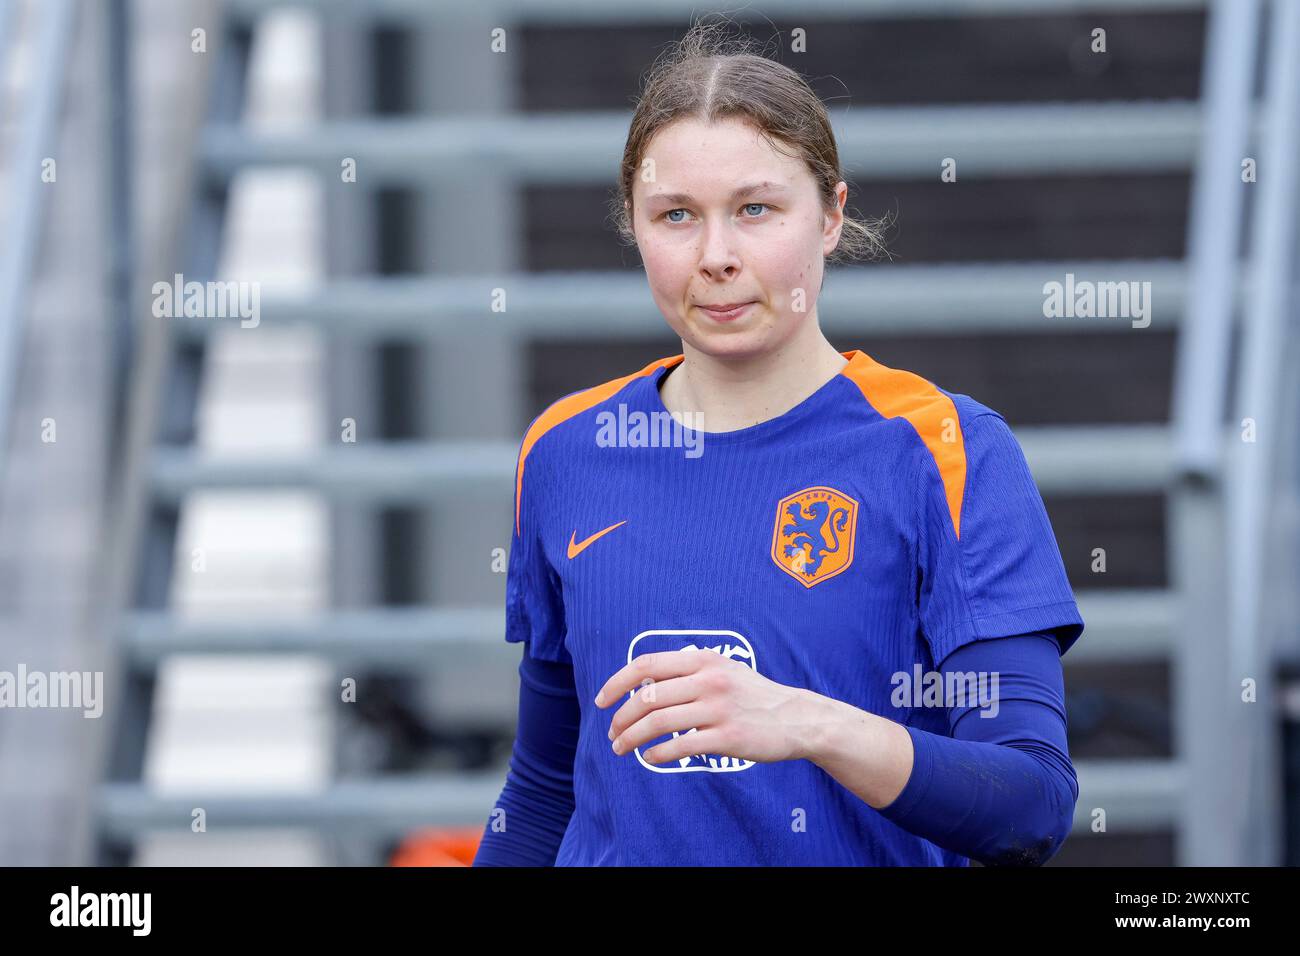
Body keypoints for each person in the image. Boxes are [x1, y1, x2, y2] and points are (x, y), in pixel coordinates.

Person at [473, 19, 1084, 867]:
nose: (716, 256)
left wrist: (807, 723)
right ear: (634, 227)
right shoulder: (565, 450)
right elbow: (545, 791)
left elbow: (1031, 803)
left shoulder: (944, 450)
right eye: (676, 216)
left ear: (831, 216)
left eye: (755, 209)